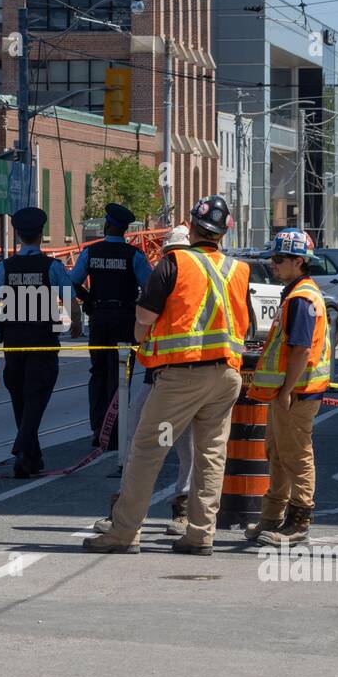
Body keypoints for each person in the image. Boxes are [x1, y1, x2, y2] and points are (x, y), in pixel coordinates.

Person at [83, 196, 250, 556]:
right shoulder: (238, 269)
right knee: (211, 455)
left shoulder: (175, 262)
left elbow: (143, 320)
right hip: (225, 378)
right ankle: (200, 533)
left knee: (148, 449)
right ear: (224, 233)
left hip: (181, 379)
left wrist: (147, 339)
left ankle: (124, 531)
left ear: (191, 227)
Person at [95, 224, 194, 536]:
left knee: (147, 441)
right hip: (184, 374)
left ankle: (129, 512)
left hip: (167, 377)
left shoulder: (165, 273)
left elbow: (143, 322)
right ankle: (182, 509)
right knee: (183, 444)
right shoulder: (194, 277)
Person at [244, 228, 333, 546]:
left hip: (296, 393)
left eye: (279, 259)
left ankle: (299, 522)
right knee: (278, 454)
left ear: (299, 262)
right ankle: (272, 519)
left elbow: (301, 350)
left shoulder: (301, 298)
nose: (273, 264)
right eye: (273, 258)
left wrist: (285, 392)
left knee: (295, 456)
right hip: (292, 392)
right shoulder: (296, 294)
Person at [0, 207, 82, 478]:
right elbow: (70, 298)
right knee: (37, 395)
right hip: (43, 341)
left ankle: (31, 456)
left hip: (13, 342)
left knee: (19, 395)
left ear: (18, 235)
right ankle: (22, 449)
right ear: (41, 236)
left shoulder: (3, 267)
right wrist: (76, 323)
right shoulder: (51, 267)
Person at [70, 203, 152, 450]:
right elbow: (150, 287)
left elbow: (72, 281)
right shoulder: (134, 255)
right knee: (121, 377)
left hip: (99, 318)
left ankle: (98, 430)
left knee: (97, 374)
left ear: (106, 226)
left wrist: (88, 300)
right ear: (125, 230)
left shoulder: (90, 253)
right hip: (125, 319)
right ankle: (116, 432)